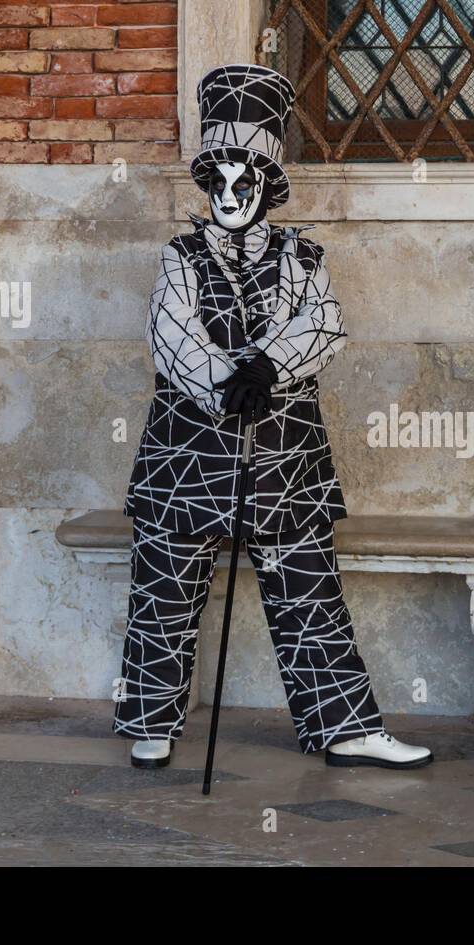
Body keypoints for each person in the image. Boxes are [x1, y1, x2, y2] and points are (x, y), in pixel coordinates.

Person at [115, 64, 431, 772]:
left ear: (265, 186)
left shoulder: (304, 257)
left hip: (285, 454)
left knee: (308, 594)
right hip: (186, 451)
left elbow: (325, 324)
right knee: (165, 588)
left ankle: (345, 727)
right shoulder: (180, 256)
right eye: (219, 179)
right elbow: (171, 331)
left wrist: (269, 368)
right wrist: (226, 385)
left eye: (245, 180)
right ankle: (152, 719)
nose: (230, 194)